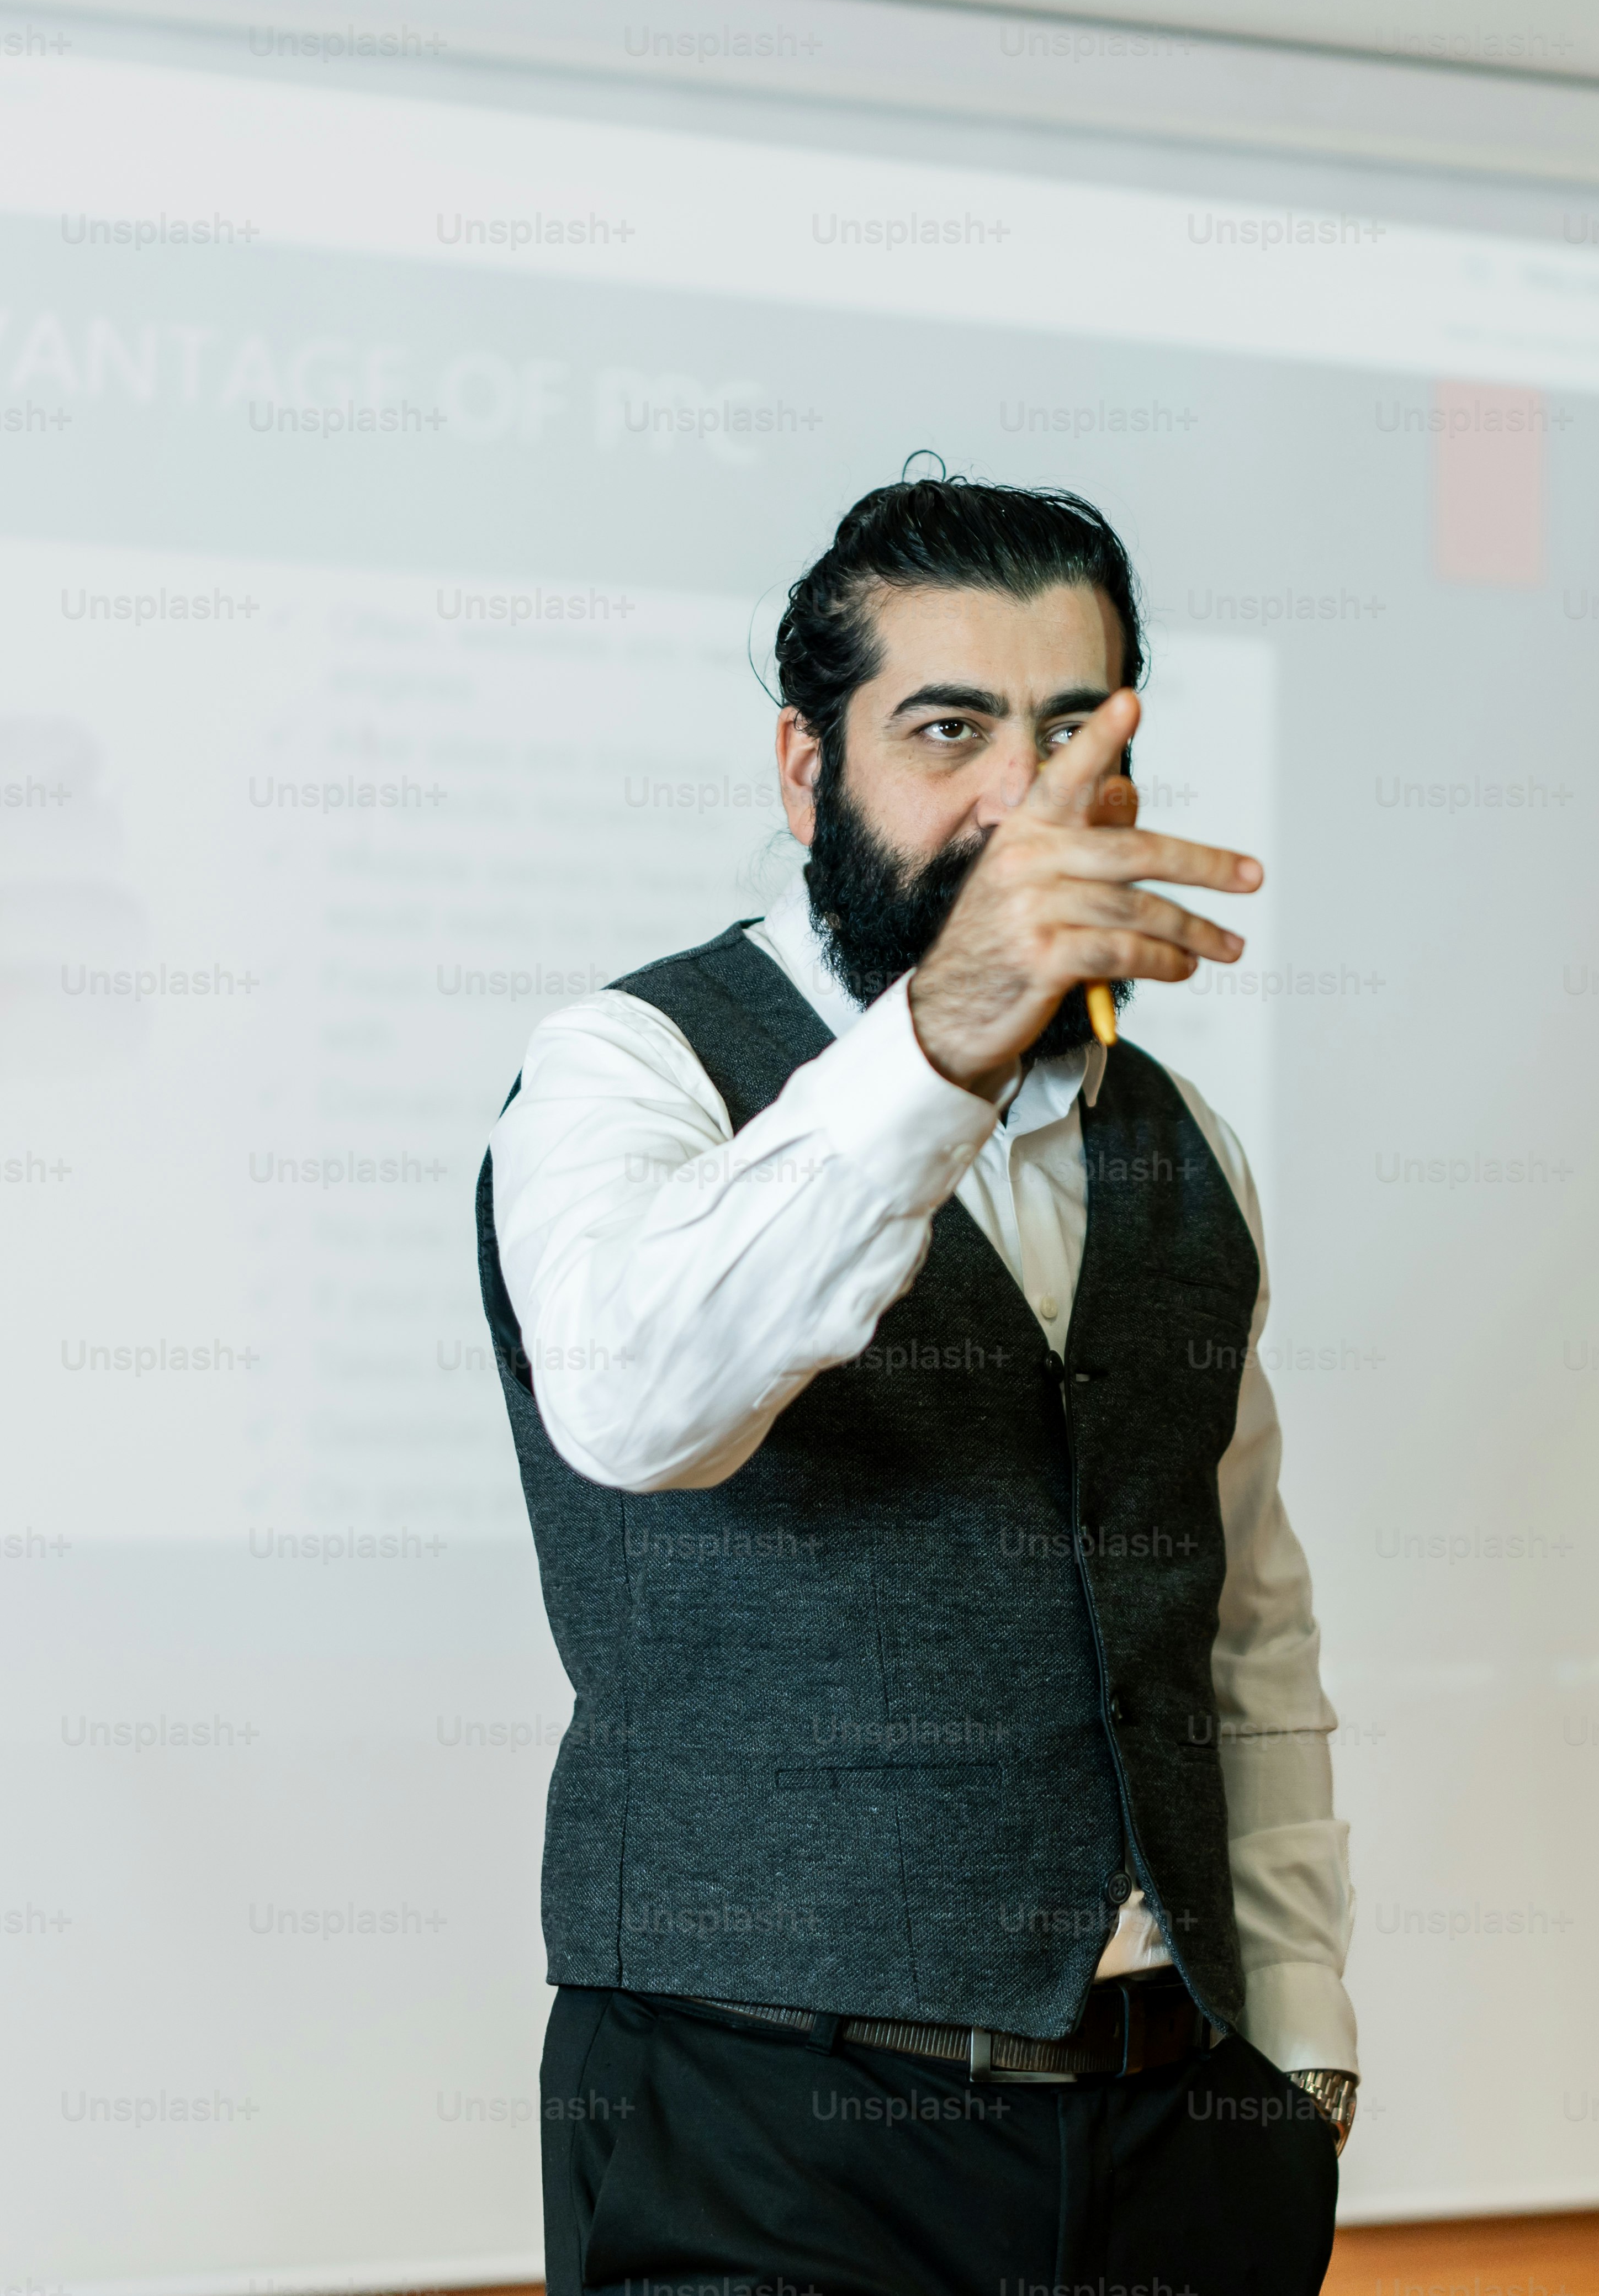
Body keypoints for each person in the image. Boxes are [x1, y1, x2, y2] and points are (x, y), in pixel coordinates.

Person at [474, 473, 1355, 2296]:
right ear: (809, 771)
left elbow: (1242, 1617)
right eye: (947, 731)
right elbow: (640, 1408)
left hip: (1176, 2129)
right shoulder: (627, 1066)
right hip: (759, 2126)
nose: (1017, 803)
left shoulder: (1188, 1144)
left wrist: (1300, 2051)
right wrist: (942, 1032)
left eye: (1068, 735)